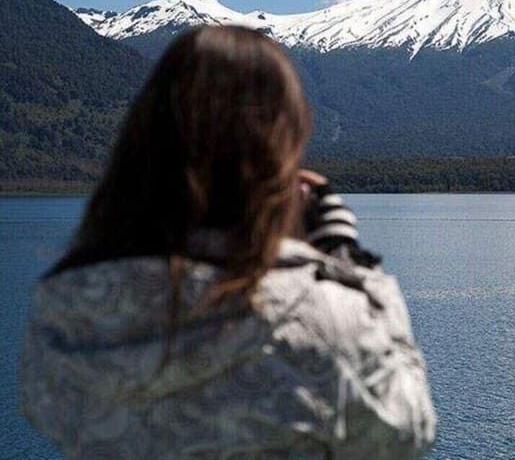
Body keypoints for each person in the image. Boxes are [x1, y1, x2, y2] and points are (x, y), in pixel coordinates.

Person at [19, 25, 436, 458]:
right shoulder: (321, 317)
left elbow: (46, 412)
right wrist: (346, 260)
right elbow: (407, 430)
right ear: (280, 154)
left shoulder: (63, 310)